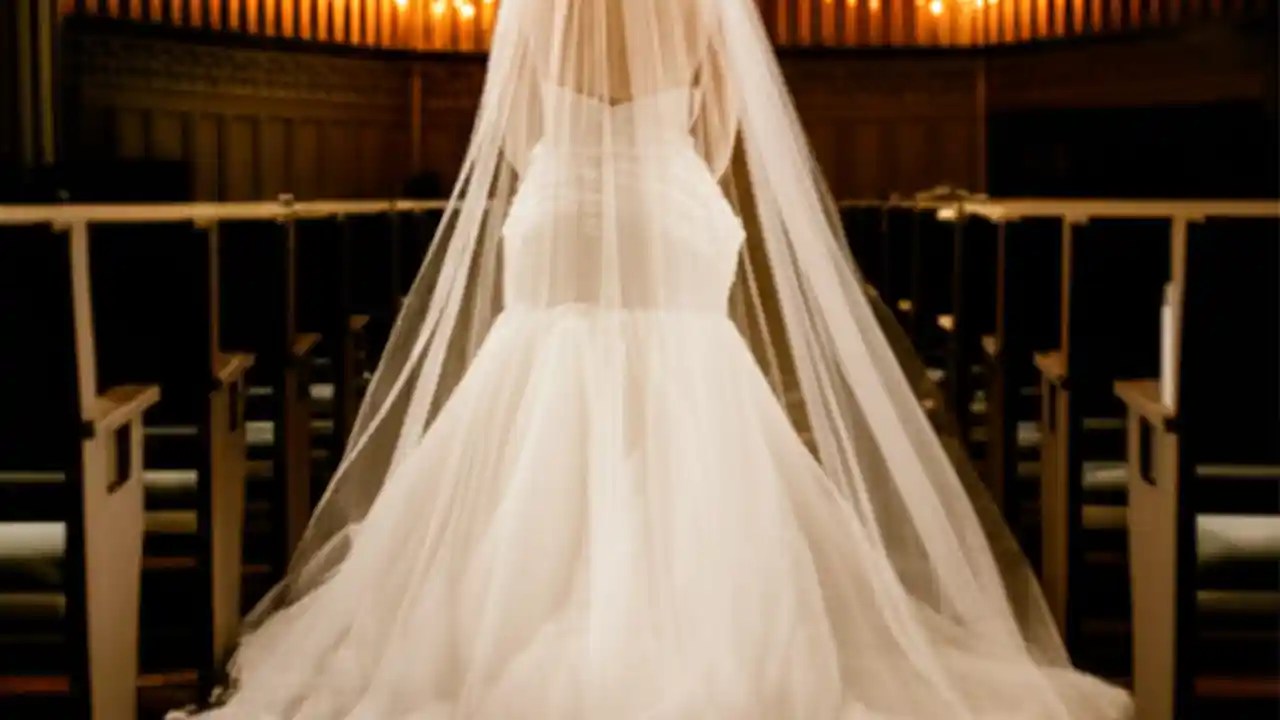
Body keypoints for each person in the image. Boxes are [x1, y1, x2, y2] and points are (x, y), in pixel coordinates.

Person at [188, 0, 1132, 716]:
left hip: (560, 209)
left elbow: (515, 136)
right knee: (687, 383)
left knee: (542, 380)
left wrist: (581, 163)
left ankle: (506, 623)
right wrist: (648, 164)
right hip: (665, 207)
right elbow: (716, 136)